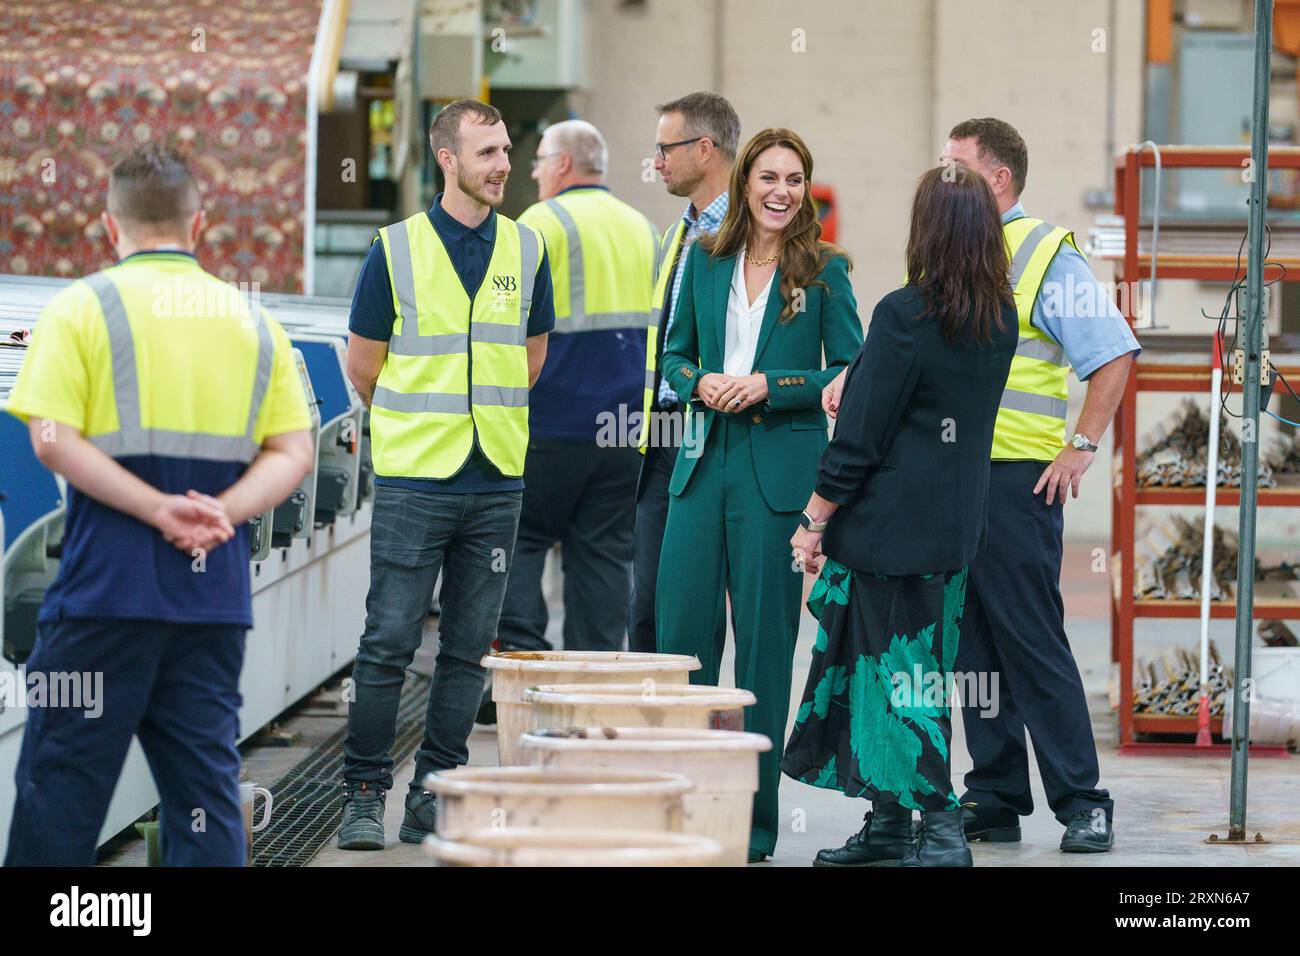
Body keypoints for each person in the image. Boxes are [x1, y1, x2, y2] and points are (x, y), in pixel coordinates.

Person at [824, 117, 1139, 853]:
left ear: (998, 179)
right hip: (947, 483)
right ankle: (994, 794)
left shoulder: (1042, 254)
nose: (943, 180)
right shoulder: (948, 258)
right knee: (967, 651)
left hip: (1016, 481)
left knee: (1029, 639)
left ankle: (1084, 800)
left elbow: (1114, 351)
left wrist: (1081, 445)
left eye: (955, 167)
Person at [4, 145, 314, 866]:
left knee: (62, 788)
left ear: (110, 227)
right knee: (204, 796)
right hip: (212, 601)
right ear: (198, 223)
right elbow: (296, 453)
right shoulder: (253, 321)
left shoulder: (81, 308)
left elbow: (51, 441)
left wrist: (154, 509)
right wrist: (223, 513)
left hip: (102, 597)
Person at [784, 164, 1019, 868]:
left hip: (887, 535)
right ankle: (888, 825)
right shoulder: (996, 316)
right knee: (902, 675)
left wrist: (815, 516)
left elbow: (861, 436)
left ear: (927, 230)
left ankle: (941, 829)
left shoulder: (903, 314)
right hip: (950, 533)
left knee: (898, 681)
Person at [338, 99, 555, 850]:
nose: (501, 165)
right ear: (448, 160)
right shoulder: (393, 250)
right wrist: (421, 423)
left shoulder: (526, 250)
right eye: (487, 152)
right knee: (389, 639)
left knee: (469, 647)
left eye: (505, 150)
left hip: (496, 478)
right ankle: (365, 795)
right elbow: (363, 367)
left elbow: (531, 357)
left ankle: (435, 788)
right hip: (414, 481)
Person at [656, 127, 864, 863]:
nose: (782, 191)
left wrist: (773, 386)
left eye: (795, 179)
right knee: (680, 647)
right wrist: (697, 382)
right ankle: (678, 816)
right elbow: (674, 353)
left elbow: (849, 371)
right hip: (700, 466)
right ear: (744, 183)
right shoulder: (704, 260)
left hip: (776, 480)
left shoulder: (825, 270)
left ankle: (751, 829)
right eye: (769, 177)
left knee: (765, 658)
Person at [494, 120, 658, 656]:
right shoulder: (643, 227)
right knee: (605, 555)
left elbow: (502, 323)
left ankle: (520, 672)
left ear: (563, 164)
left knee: (519, 542)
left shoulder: (539, 223)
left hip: (550, 422)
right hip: (627, 431)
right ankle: (592, 674)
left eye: (540, 159)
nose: (535, 170)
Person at [628, 91, 739, 655]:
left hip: (716, 434)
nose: (657, 162)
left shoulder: (750, 235)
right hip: (665, 436)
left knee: (701, 603)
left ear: (704, 147)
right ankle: (653, 733)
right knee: (647, 601)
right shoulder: (676, 234)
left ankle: (705, 731)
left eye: (665, 149)